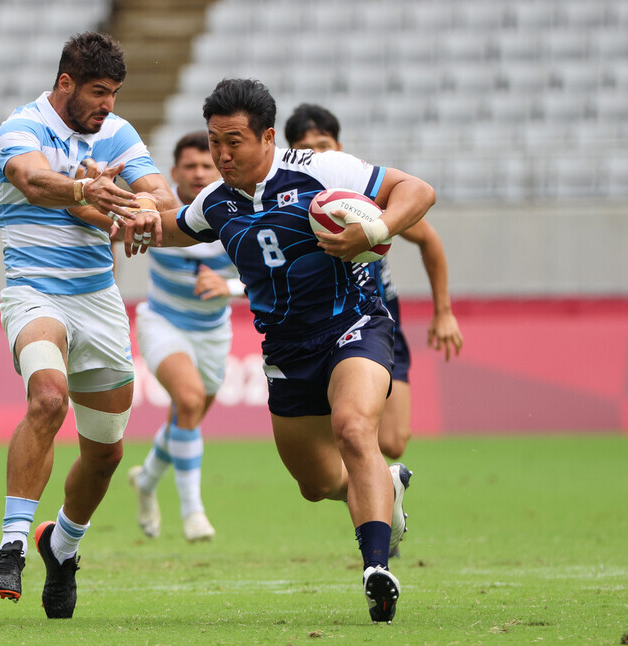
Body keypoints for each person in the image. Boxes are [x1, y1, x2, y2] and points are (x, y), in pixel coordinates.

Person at [121, 79, 436, 624]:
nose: (222, 154)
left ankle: (376, 569)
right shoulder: (217, 201)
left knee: (355, 430)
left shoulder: (320, 169)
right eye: (216, 141)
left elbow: (419, 191)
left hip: (353, 325)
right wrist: (139, 223)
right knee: (315, 484)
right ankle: (385, 486)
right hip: (287, 351)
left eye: (234, 141)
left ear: (268, 137)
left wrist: (375, 229)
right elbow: (178, 227)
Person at [0, 32, 176, 619]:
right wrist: (86, 189)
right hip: (34, 293)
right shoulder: (21, 128)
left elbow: (160, 195)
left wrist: (144, 210)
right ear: (65, 84)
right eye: (98, 92)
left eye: (114, 93)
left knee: (106, 456)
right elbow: (33, 182)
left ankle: (61, 547)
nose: (108, 105)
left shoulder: (116, 133)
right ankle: (12, 544)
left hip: (99, 301)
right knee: (48, 397)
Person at [284, 104, 464, 461]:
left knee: (394, 442)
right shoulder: (289, 208)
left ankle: (376, 485)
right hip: (319, 333)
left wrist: (443, 312)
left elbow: (429, 240)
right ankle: (372, 496)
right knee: (346, 440)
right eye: (307, 148)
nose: (317, 153)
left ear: (339, 145)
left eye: (324, 143)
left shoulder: (364, 199)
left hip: (380, 325)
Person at [127, 131, 244, 542]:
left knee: (186, 416)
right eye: (190, 166)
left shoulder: (235, 213)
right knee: (190, 400)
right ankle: (193, 512)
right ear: (173, 172)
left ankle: (146, 481)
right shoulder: (156, 210)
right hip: (162, 322)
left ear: (219, 169)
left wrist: (228, 287)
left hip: (213, 333)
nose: (198, 173)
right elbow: (113, 225)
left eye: (206, 166)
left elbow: (265, 278)